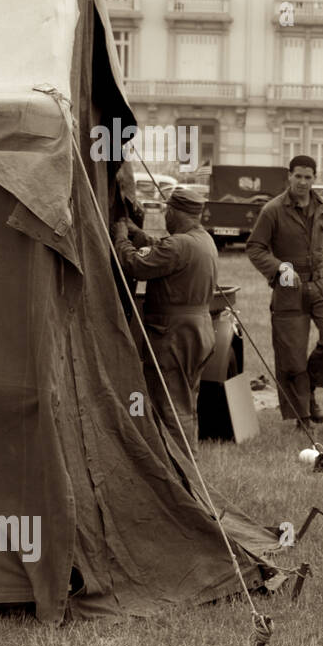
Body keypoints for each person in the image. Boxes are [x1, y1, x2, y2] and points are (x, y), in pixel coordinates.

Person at [111, 187, 218, 455]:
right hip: (199, 330)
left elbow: (136, 265)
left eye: (168, 211)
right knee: (186, 400)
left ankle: (181, 469)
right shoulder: (202, 240)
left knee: (169, 403)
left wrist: (122, 238)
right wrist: (139, 235)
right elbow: (163, 253)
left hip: (173, 334)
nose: (166, 217)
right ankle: (188, 461)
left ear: (176, 213)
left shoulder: (178, 245)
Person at [246, 155, 323, 429]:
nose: (302, 182)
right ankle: (303, 415)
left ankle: (310, 389)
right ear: (289, 176)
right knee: (292, 355)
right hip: (288, 287)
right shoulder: (272, 210)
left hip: (321, 284)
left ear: (315, 178)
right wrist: (279, 269)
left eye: (308, 177)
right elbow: (255, 247)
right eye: (298, 176)